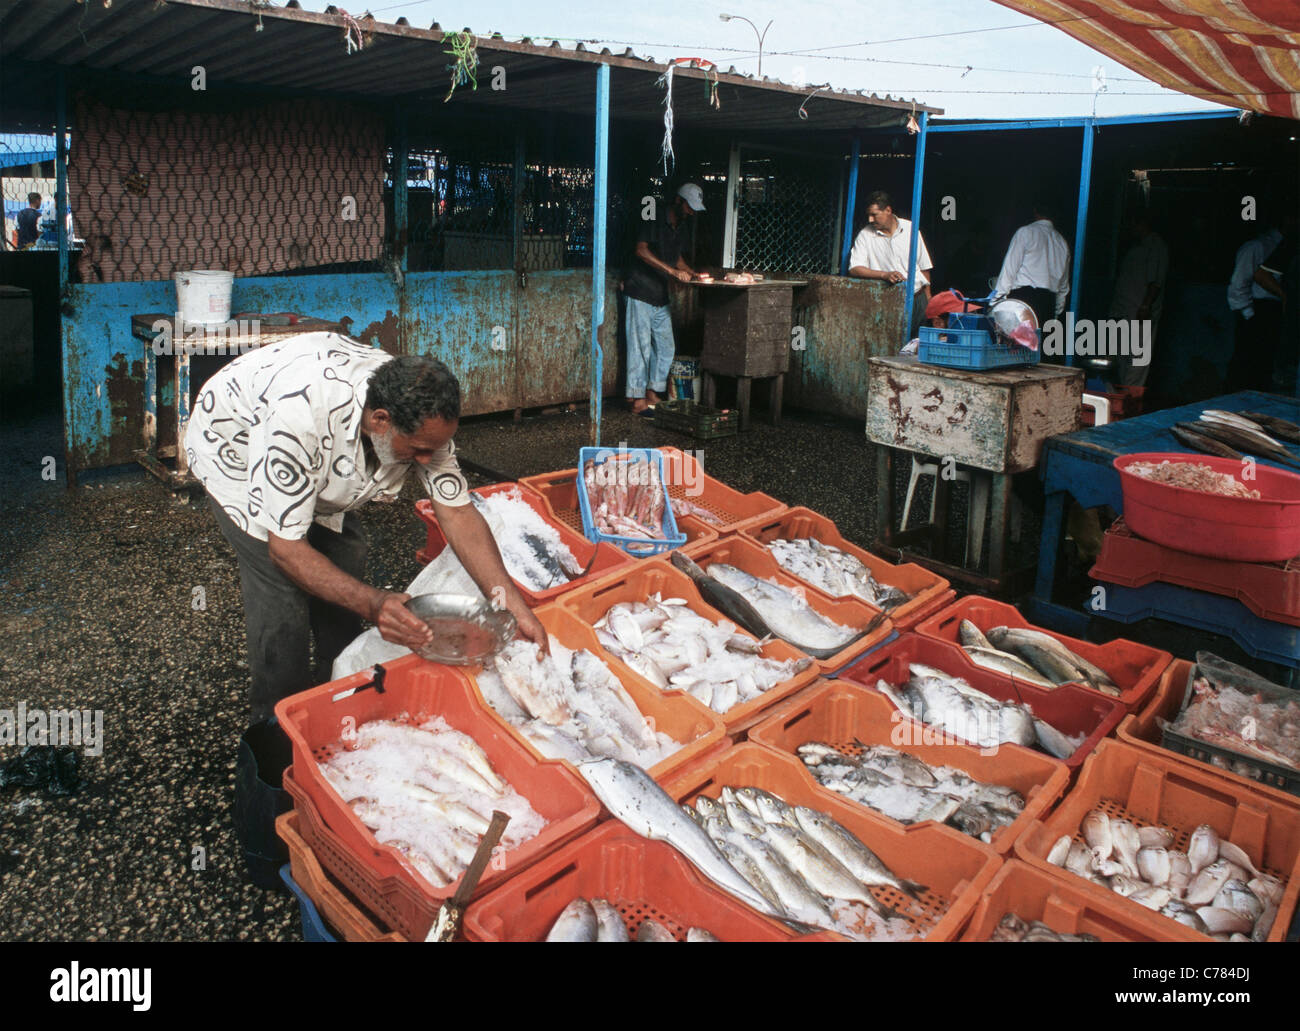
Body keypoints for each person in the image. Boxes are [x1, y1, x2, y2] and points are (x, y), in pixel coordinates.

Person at [187, 332, 548, 722]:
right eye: (418, 449)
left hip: (316, 447)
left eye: (436, 448)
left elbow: (457, 513)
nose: (428, 459)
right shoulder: (297, 419)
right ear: (380, 421)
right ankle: (277, 725)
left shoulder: (419, 415)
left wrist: (513, 605)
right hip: (236, 451)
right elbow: (286, 550)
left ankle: (337, 684)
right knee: (282, 599)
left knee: (346, 556)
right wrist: (375, 603)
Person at [621, 183, 704, 414]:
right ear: (678, 201)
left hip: (659, 295)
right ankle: (636, 400)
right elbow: (640, 250)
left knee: (666, 347)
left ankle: (652, 392)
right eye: (689, 206)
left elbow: (675, 258)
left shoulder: (682, 227)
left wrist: (691, 272)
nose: (691, 212)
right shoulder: (653, 216)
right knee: (640, 348)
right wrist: (671, 272)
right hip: (639, 290)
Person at [1226, 213, 1296, 393]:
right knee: (1245, 365)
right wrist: (1249, 315)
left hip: (1274, 311)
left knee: (1264, 366)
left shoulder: (1284, 246)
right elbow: (1238, 284)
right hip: (1256, 310)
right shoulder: (1257, 246)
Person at [848, 190, 933, 335]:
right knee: (893, 348)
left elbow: (924, 266)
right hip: (889, 302)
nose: (870, 219)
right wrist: (884, 275)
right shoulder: (865, 235)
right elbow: (855, 268)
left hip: (918, 298)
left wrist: (929, 299)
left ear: (888, 210)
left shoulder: (910, 229)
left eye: (874, 215)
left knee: (916, 347)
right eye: (868, 215)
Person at [1109, 213, 1169, 387]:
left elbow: (1155, 283)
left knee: (1138, 358)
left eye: (1133, 224)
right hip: (1125, 311)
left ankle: (1130, 397)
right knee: (1121, 355)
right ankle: (1120, 397)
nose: (1131, 229)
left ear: (1142, 224)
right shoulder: (1137, 248)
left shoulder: (1156, 247)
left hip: (1140, 312)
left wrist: (1145, 306)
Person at [994, 200, 1071, 330]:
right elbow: (1063, 287)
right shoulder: (1062, 242)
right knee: (1040, 347)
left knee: (1017, 348)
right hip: (1048, 302)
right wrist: (1055, 311)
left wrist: (996, 302)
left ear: (1035, 211)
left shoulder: (1025, 233)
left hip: (1022, 302)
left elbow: (1009, 271)